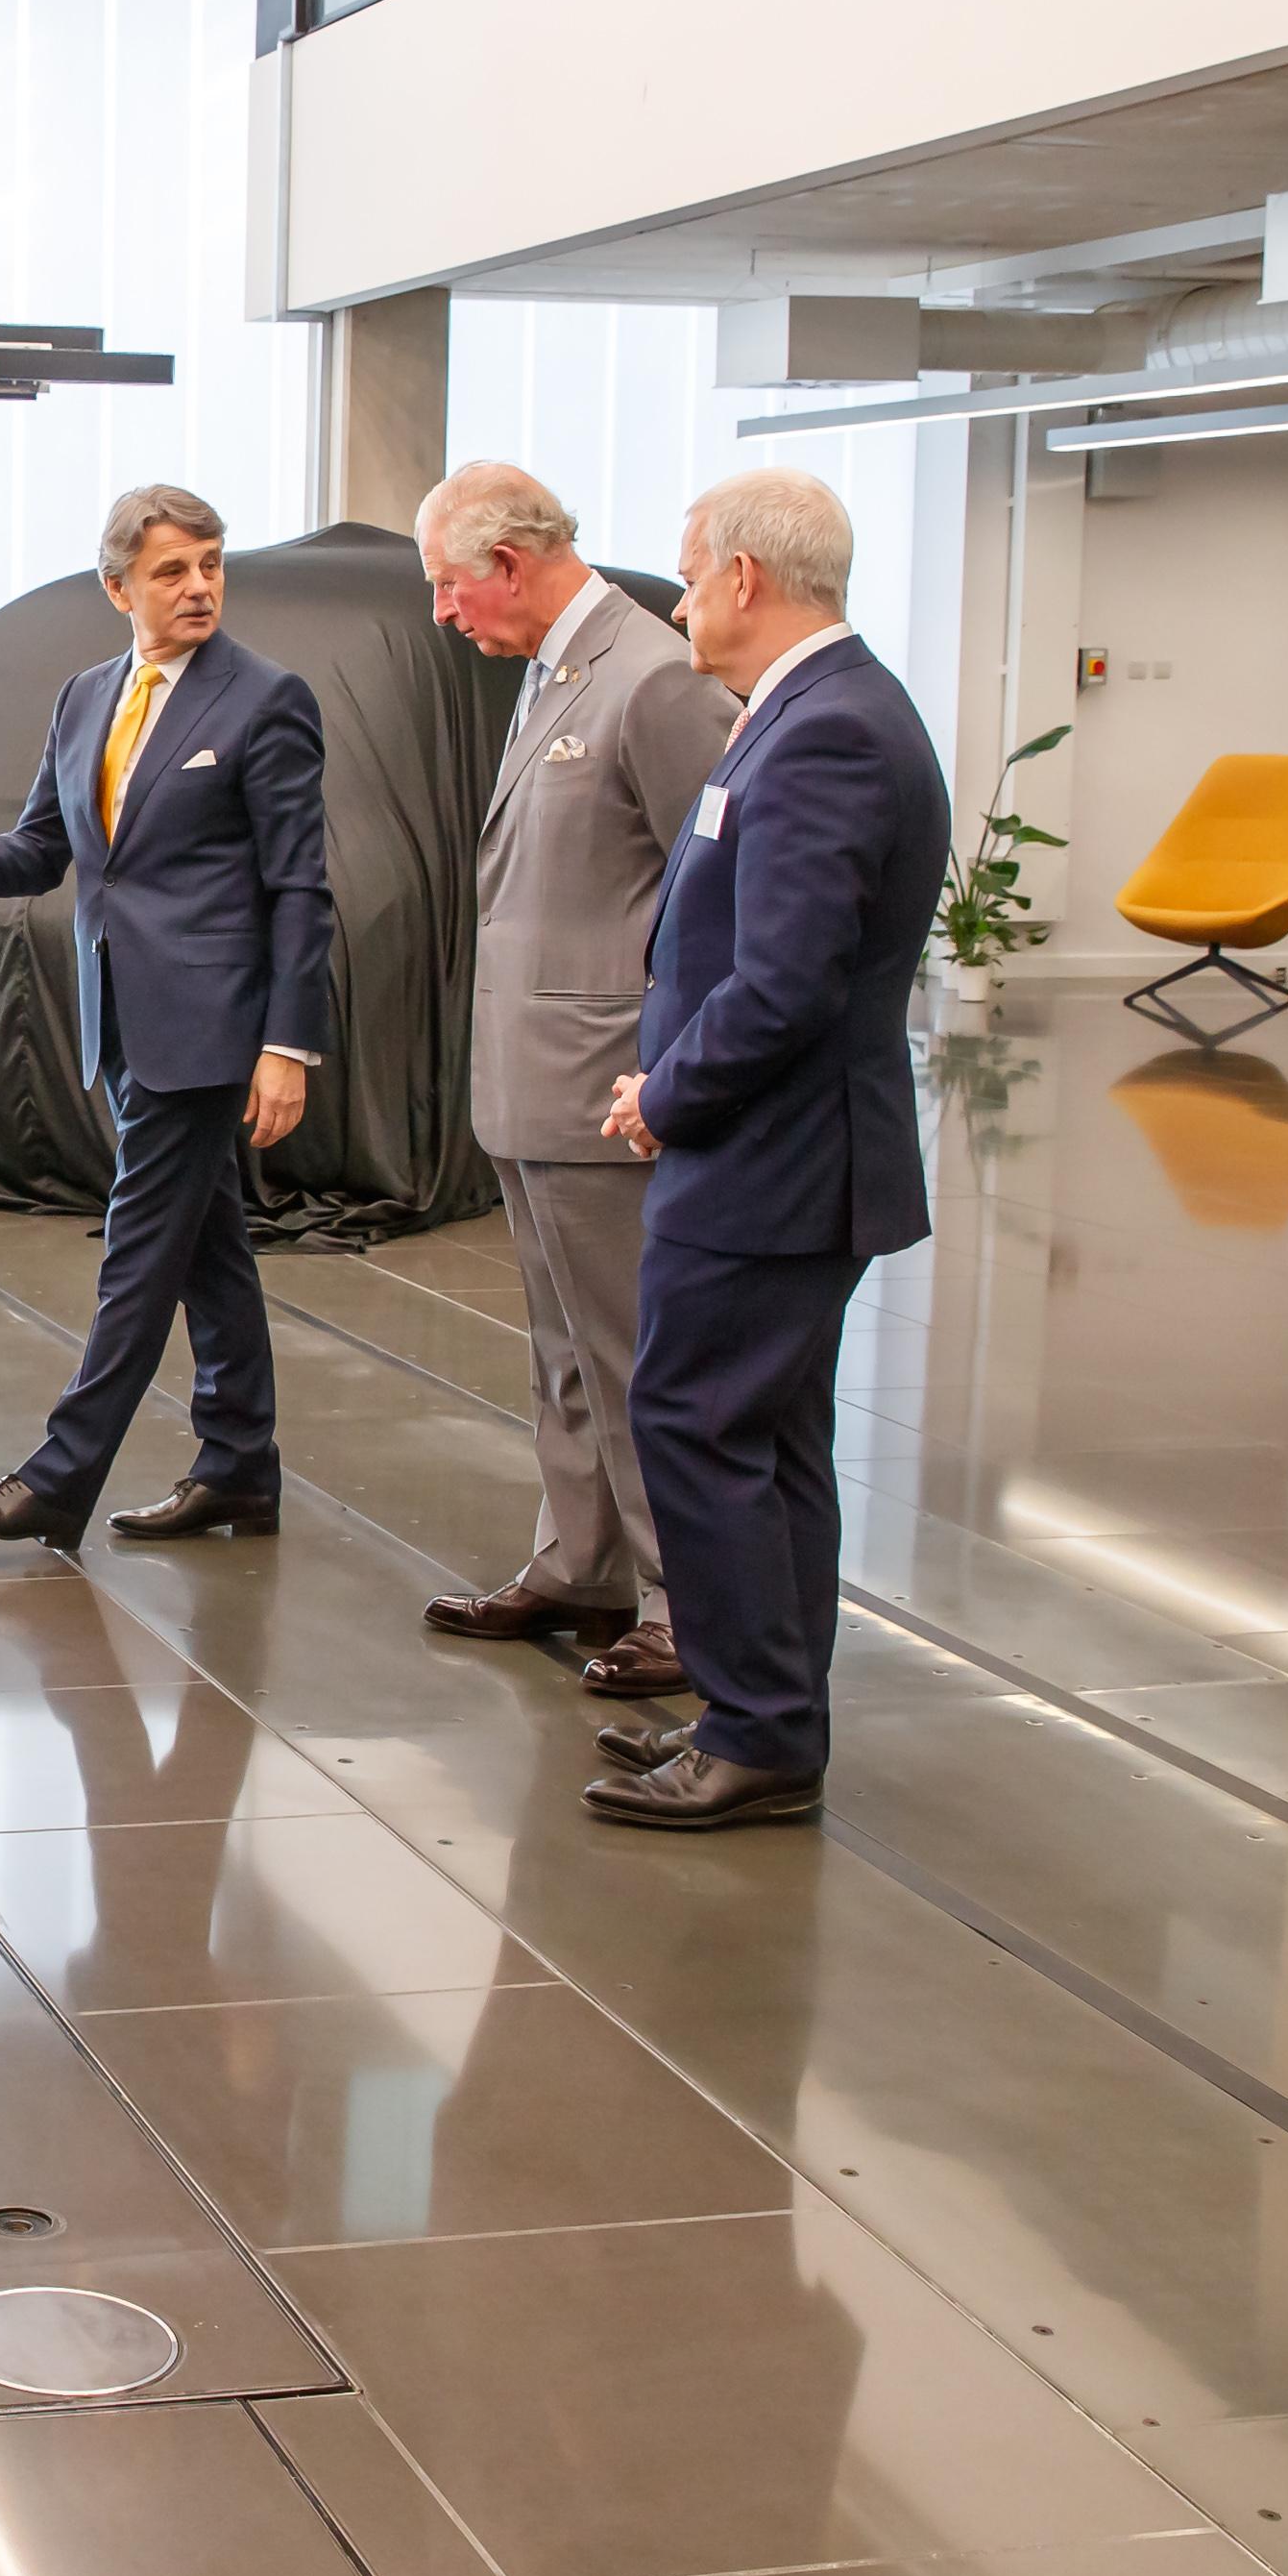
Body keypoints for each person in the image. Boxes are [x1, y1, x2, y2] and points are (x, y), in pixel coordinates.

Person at [585, 468, 949, 1831]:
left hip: (771, 1160)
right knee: (769, 1439)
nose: (680, 601)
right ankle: (766, 1716)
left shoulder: (827, 731)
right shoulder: (804, 714)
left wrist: (671, 1093)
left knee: (701, 1422)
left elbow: (789, 982)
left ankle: (758, 1733)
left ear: (744, 576)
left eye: (689, 574)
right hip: (778, 1151)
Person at [0, 485, 335, 1550]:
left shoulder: (267, 700)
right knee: (208, 1247)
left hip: (214, 1024)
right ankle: (238, 1465)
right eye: (172, 571)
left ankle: (58, 1475)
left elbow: (301, 886)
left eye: (210, 565)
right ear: (116, 587)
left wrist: (285, 1043)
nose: (197, 588)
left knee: (139, 1248)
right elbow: (48, 846)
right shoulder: (87, 694)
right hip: (122, 1017)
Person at [411, 463, 736, 1704]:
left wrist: (666, 1070)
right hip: (534, 1081)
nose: (446, 615)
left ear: (508, 563)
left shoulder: (650, 678)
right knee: (561, 1356)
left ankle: (677, 1606)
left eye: (451, 588)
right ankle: (582, 1561)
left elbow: (709, 899)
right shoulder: (555, 671)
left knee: (633, 1358)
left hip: (608, 1087)